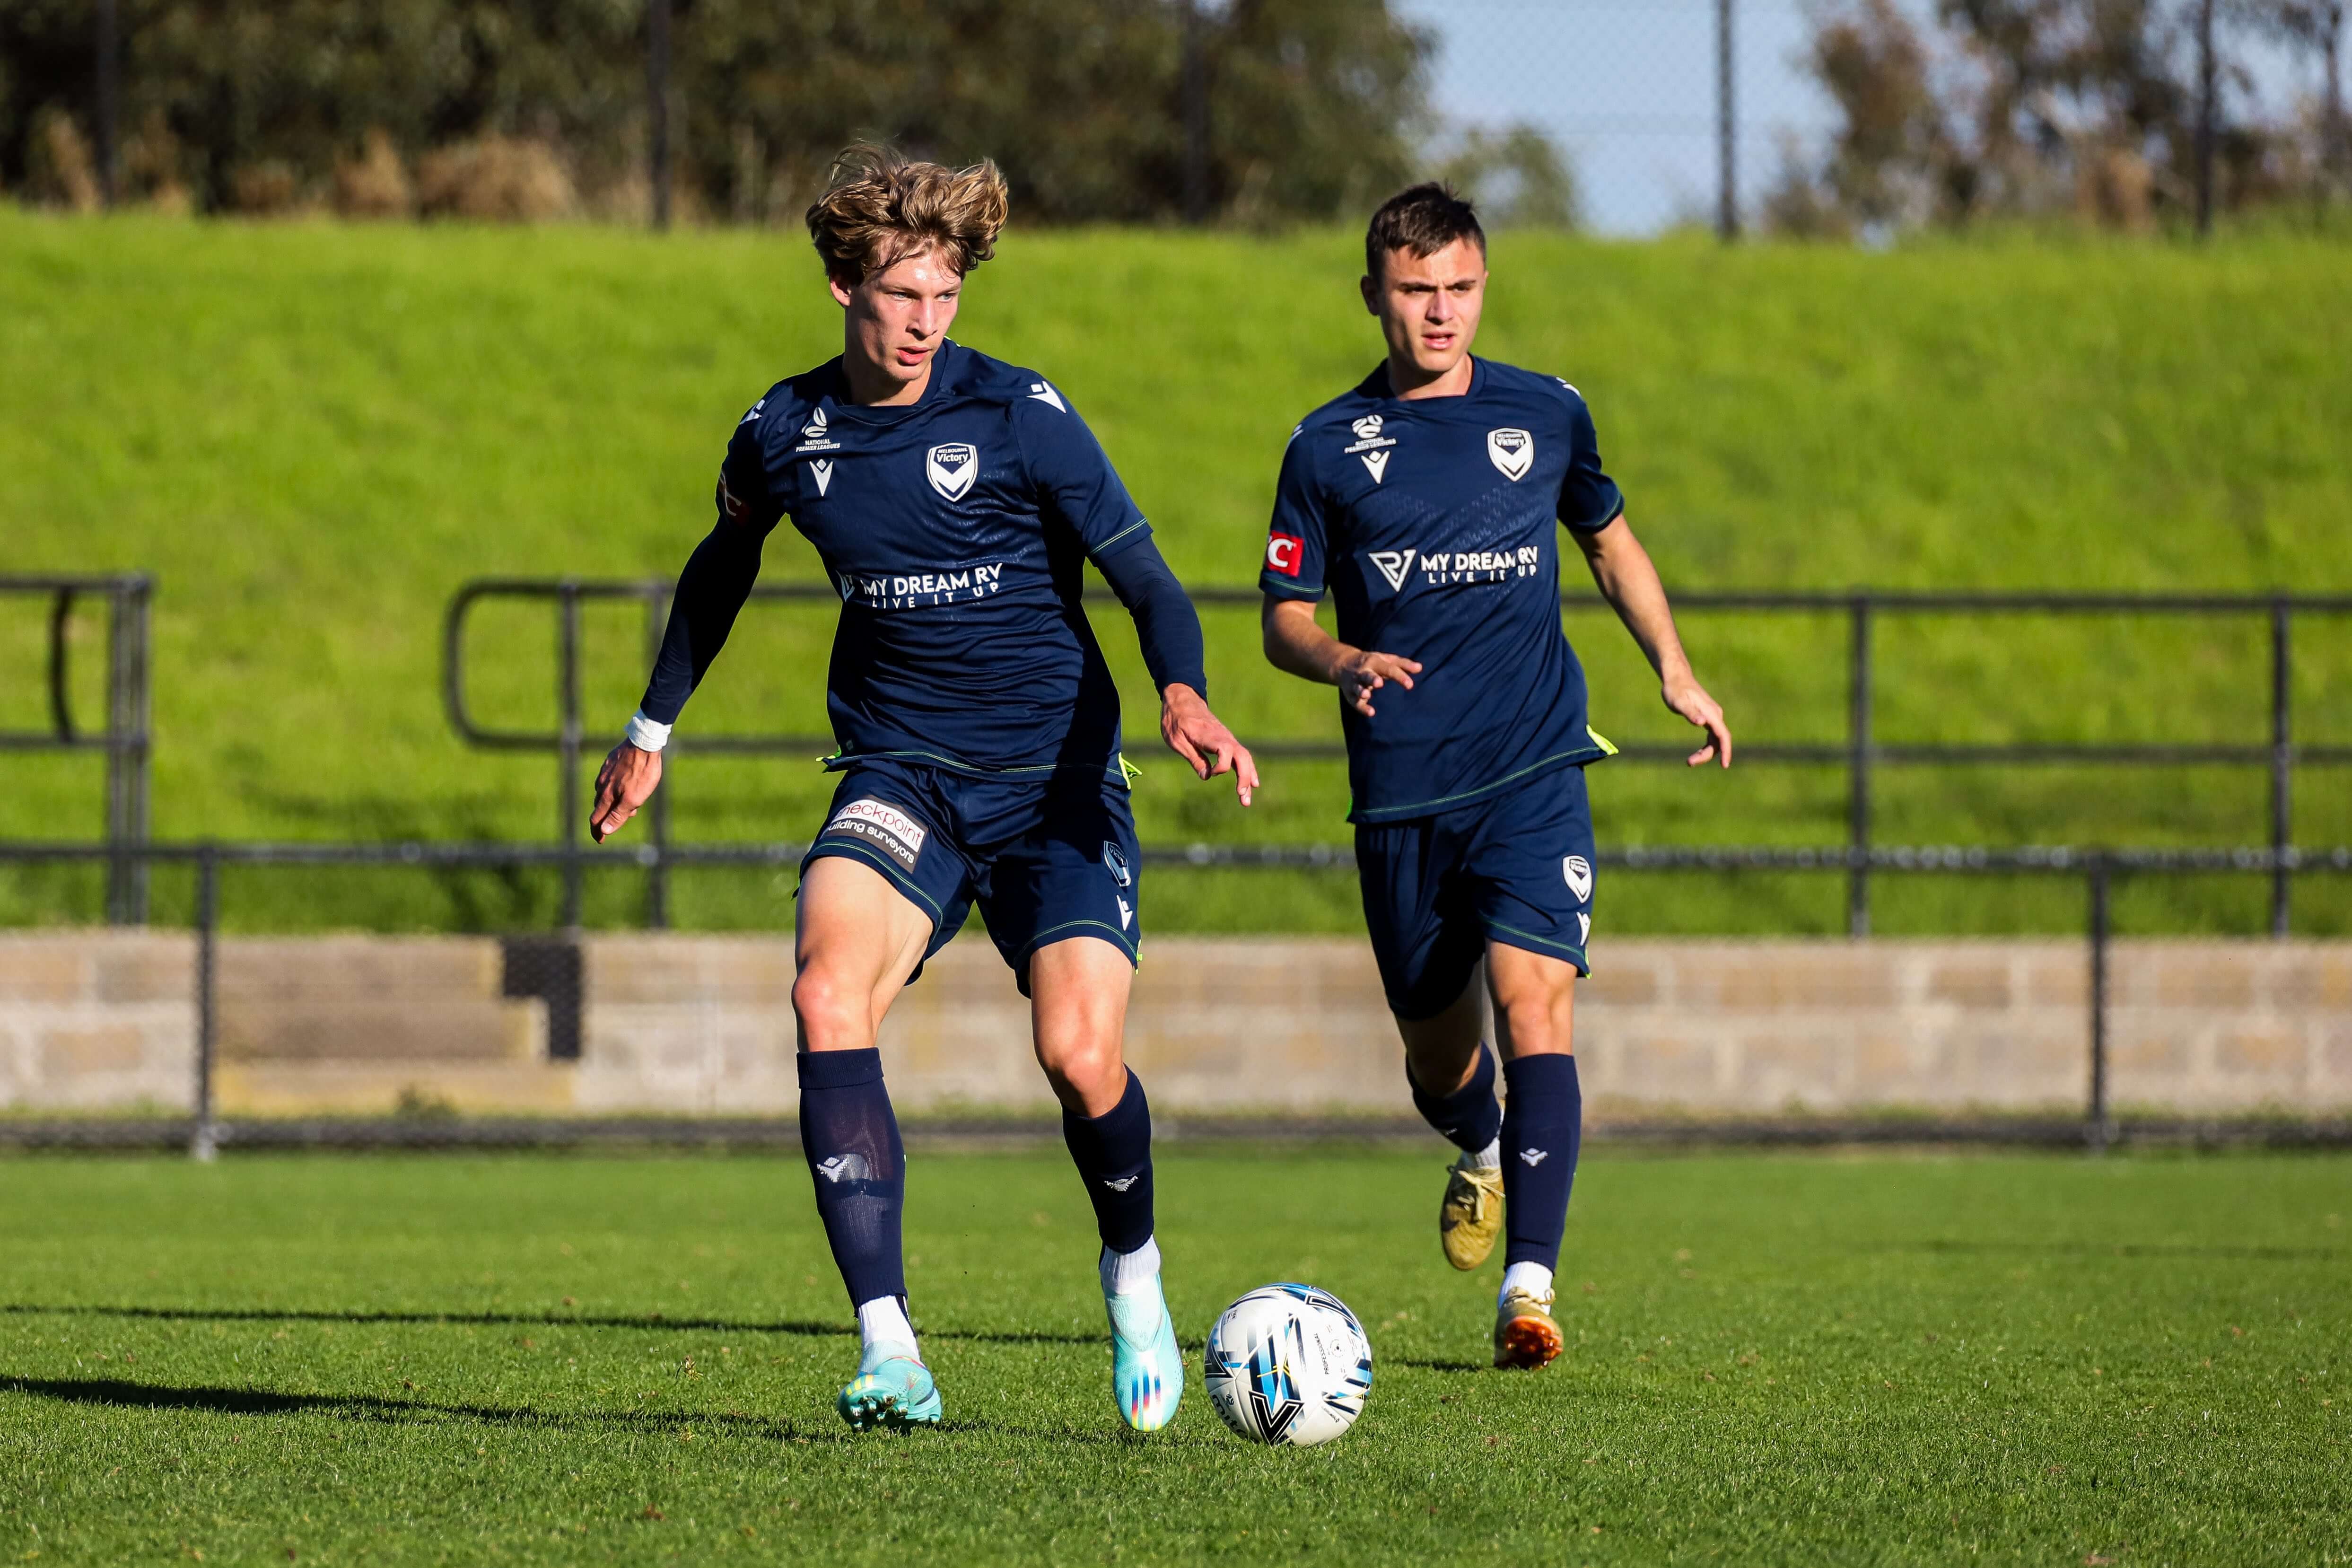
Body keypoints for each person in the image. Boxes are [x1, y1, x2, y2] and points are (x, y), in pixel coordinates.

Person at [590, 145, 1258, 1432]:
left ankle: (1133, 1270)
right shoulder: (784, 430)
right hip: (902, 771)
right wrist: (650, 725)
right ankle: (888, 1343)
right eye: (902, 296)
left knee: (1077, 1055)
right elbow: (718, 569)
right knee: (824, 989)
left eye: (944, 299)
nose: (923, 325)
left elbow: (1146, 576)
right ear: (844, 282)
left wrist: (1179, 690)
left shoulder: (1020, 415)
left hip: (1054, 779)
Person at [1258, 184, 1731, 1370]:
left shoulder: (1547, 411)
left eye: (1460, 289)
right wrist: (1340, 656)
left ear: (1483, 287)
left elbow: (1609, 539)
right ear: (1374, 294)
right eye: (1416, 291)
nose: (1440, 313)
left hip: (1533, 766)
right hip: (1404, 792)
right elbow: (1280, 618)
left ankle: (1531, 1287)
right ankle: (1476, 1145)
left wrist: (1674, 667)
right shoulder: (1325, 446)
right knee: (1442, 1057)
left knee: (1539, 1007)